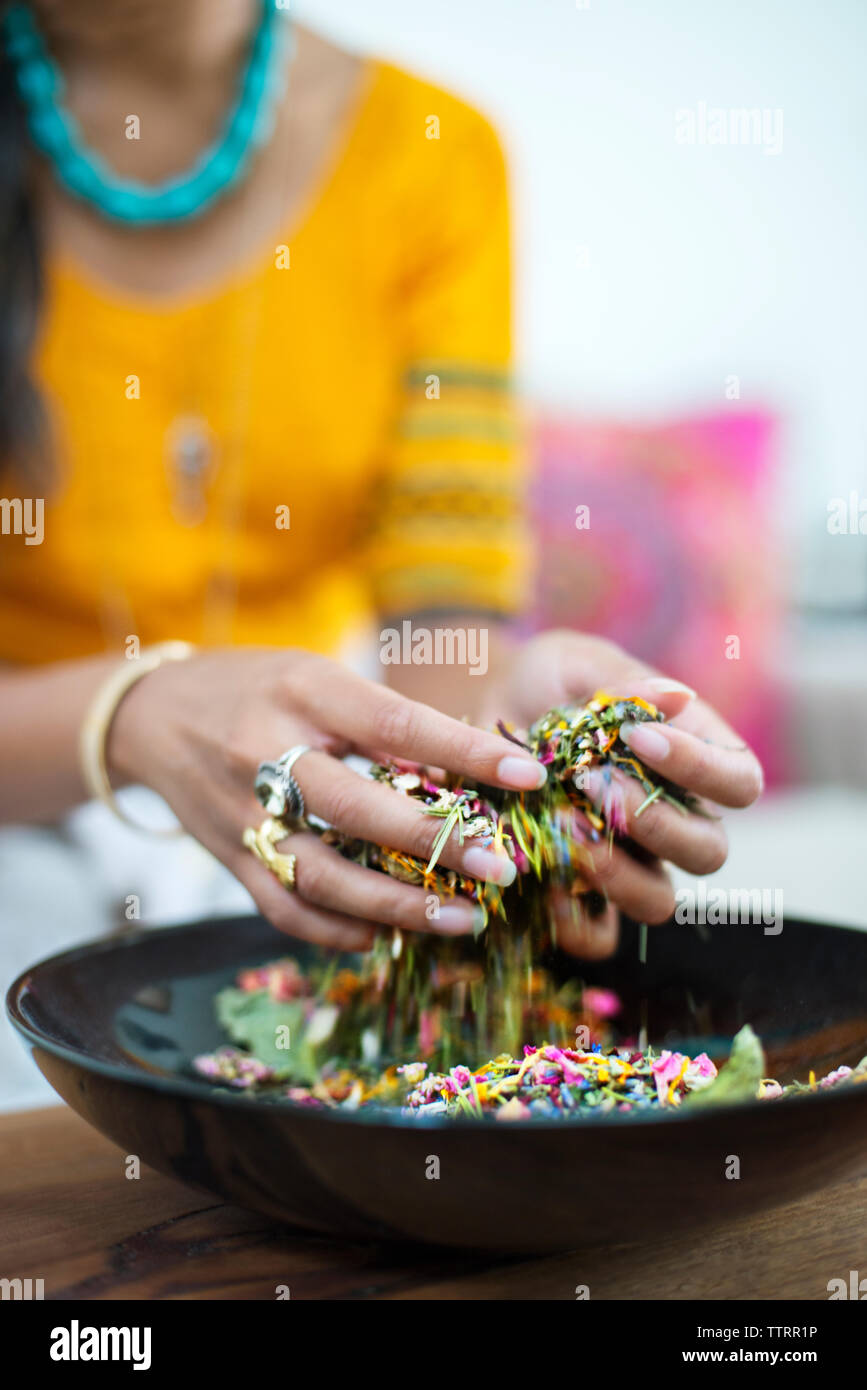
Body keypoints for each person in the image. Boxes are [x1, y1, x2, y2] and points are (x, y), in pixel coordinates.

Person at [0, 0, 762, 962]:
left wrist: (512, 747)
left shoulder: (429, 154)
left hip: (290, 796)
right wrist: (131, 716)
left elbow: (439, 630)